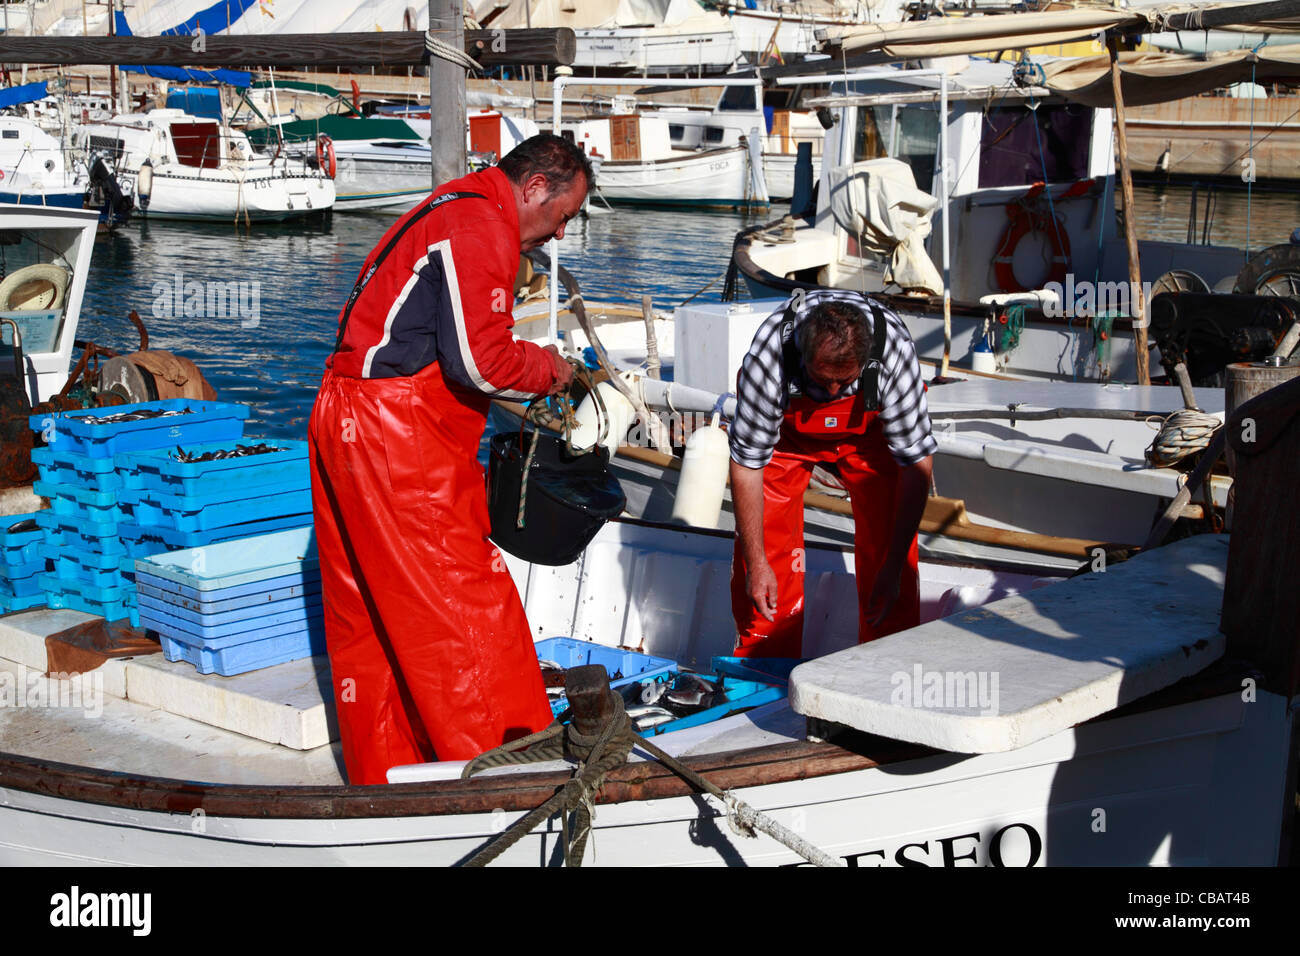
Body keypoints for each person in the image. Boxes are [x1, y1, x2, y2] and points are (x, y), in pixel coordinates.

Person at [308, 135, 591, 785]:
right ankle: (506, 770)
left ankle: (387, 777)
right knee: (461, 603)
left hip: (345, 416)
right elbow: (482, 362)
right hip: (395, 436)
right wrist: (551, 368)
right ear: (535, 189)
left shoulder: (445, 205)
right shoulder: (477, 223)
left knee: (370, 615)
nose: (559, 234)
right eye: (564, 215)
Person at [729, 289, 936, 658]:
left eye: (845, 382)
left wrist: (892, 567)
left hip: (871, 440)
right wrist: (757, 563)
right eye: (822, 380)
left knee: (892, 561)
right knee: (767, 555)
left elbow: (915, 464)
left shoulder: (895, 354)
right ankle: (765, 659)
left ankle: (887, 661)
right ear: (803, 356)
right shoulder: (769, 356)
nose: (833, 391)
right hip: (786, 439)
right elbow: (747, 464)